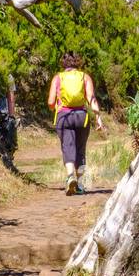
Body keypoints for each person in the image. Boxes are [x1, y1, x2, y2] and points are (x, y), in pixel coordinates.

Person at [47, 53, 105, 195]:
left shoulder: (58, 78)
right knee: (80, 149)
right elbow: (91, 98)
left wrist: (56, 107)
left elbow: (50, 102)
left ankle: (70, 176)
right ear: (78, 63)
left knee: (68, 147)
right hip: (81, 117)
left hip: (63, 116)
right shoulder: (84, 77)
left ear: (63, 63)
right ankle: (78, 184)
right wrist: (98, 118)